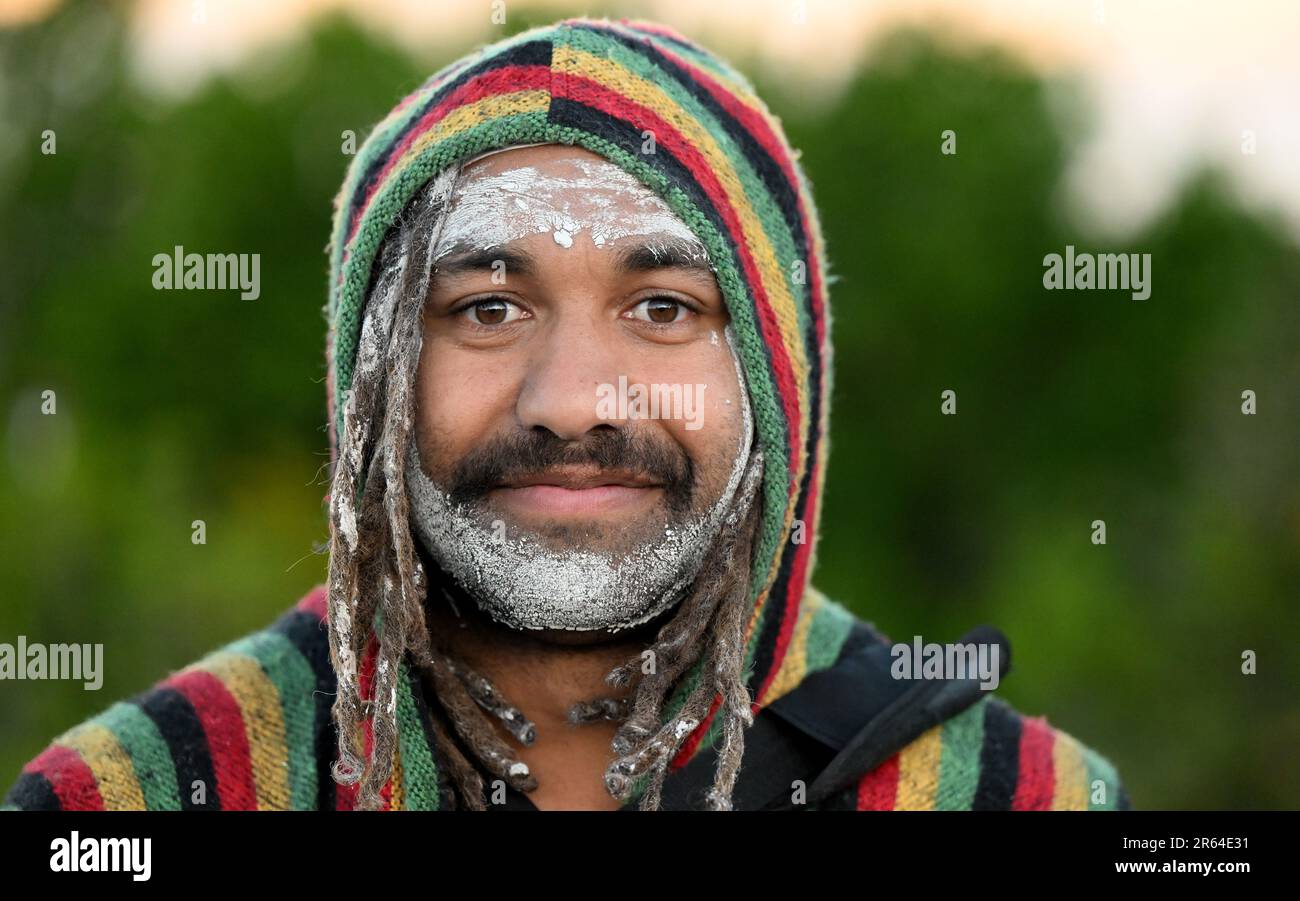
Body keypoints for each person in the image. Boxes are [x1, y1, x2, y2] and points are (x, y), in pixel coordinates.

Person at [3, 17, 1128, 812]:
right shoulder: (128, 801)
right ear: (371, 377)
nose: (574, 400)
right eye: (487, 308)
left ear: (779, 377)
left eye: (662, 307)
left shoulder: (1023, 797)